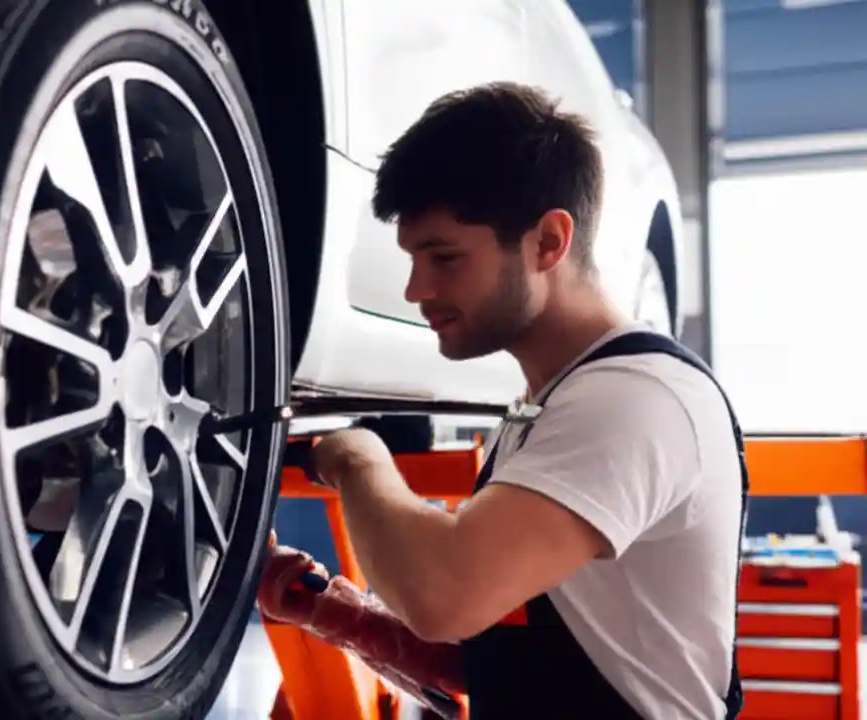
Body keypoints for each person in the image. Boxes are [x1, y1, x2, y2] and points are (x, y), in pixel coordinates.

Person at [301, 82, 749, 719]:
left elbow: (446, 595)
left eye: (445, 257)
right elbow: (510, 658)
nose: (415, 289)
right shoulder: (549, 405)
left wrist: (356, 457)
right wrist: (334, 613)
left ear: (548, 242)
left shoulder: (635, 400)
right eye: (412, 258)